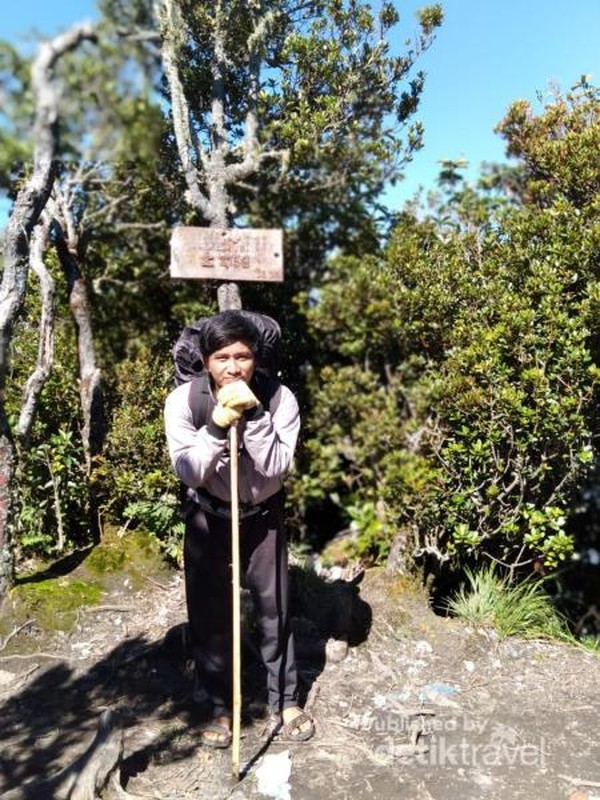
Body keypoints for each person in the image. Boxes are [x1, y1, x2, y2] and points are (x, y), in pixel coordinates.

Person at [164, 310, 315, 748]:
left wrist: (254, 417)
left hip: (262, 515)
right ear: (205, 360)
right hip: (208, 514)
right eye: (222, 358)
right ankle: (219, 705)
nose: (233, 368)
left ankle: (285, 700)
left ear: (256, 358)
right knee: (209, 610)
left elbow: (276, 466)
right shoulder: (183, 402)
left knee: (274, 606)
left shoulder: (280, 399)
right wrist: (216, 426)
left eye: (243, 357)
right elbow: (189, 472)